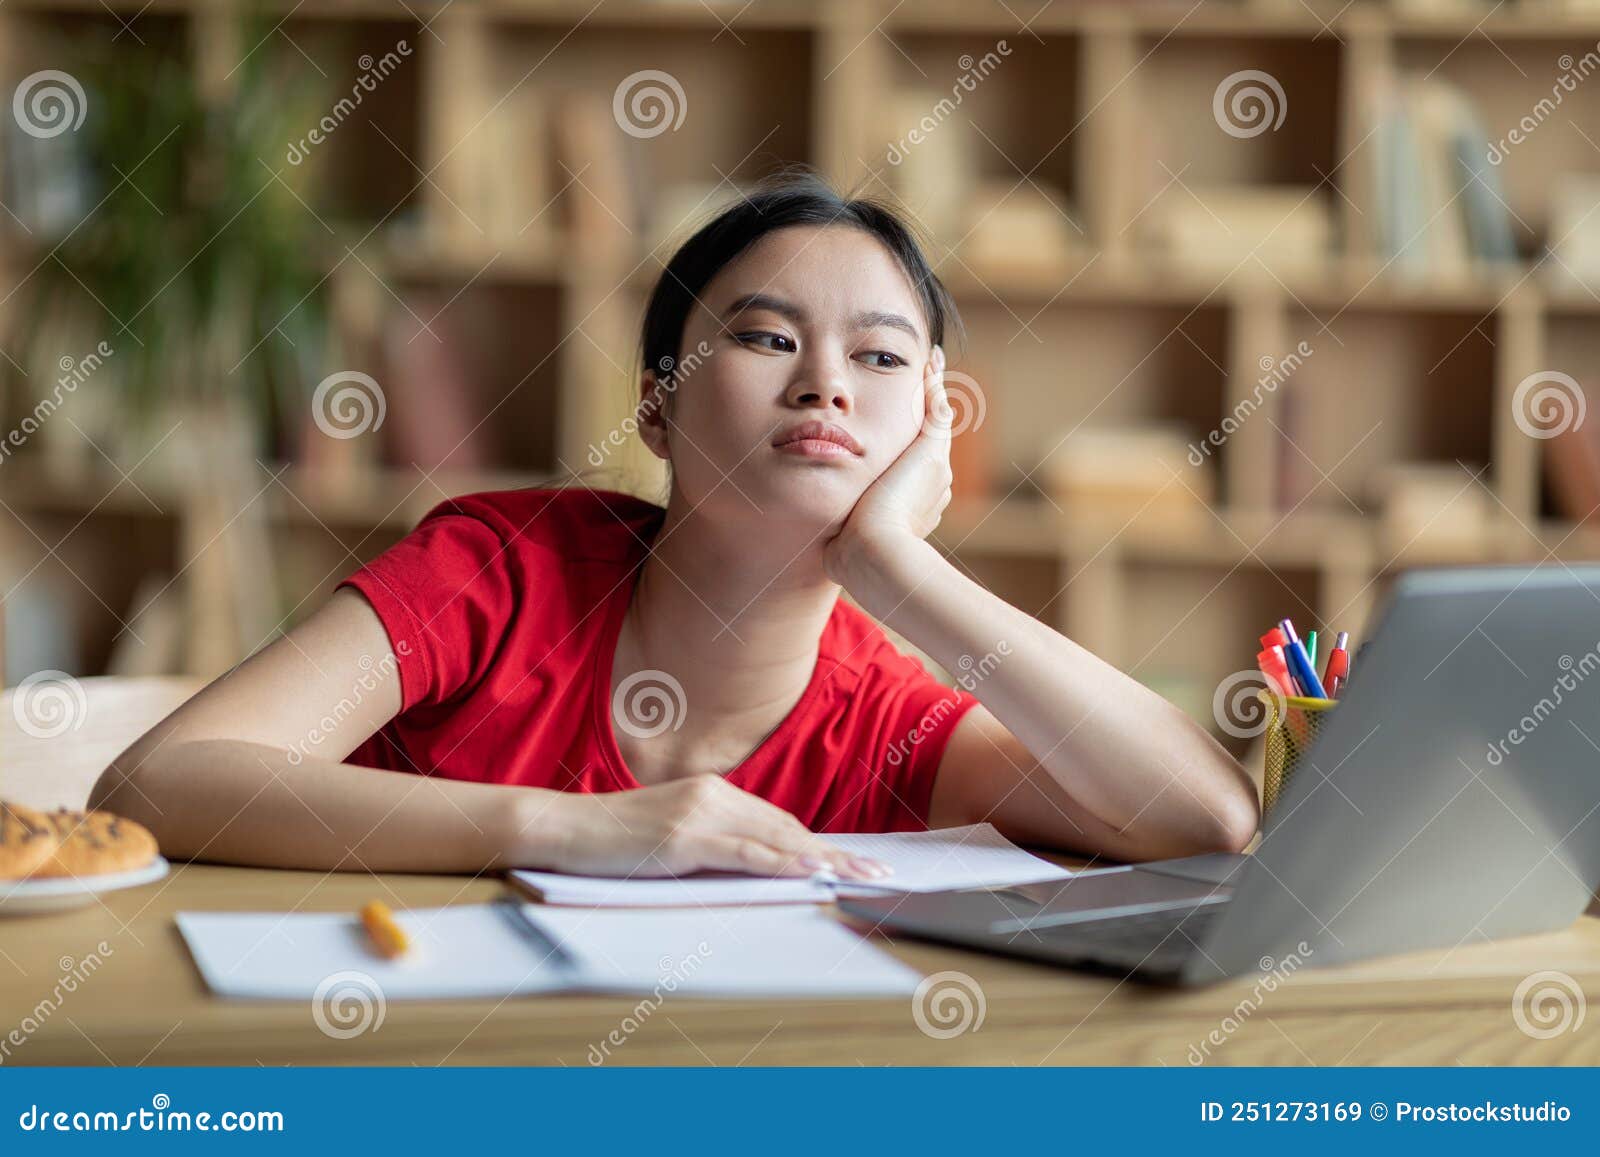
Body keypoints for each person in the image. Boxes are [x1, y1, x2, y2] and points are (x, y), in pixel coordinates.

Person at [91, 172, 1258, 880]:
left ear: (930, 425)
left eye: (879, 357)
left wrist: (895, 566)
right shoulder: (499, 571)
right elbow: (157, 781)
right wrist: (572, 828)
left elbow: (1202, 818)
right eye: (764, 337)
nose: (825, 383)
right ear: (657, 405)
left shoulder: (885, 719)